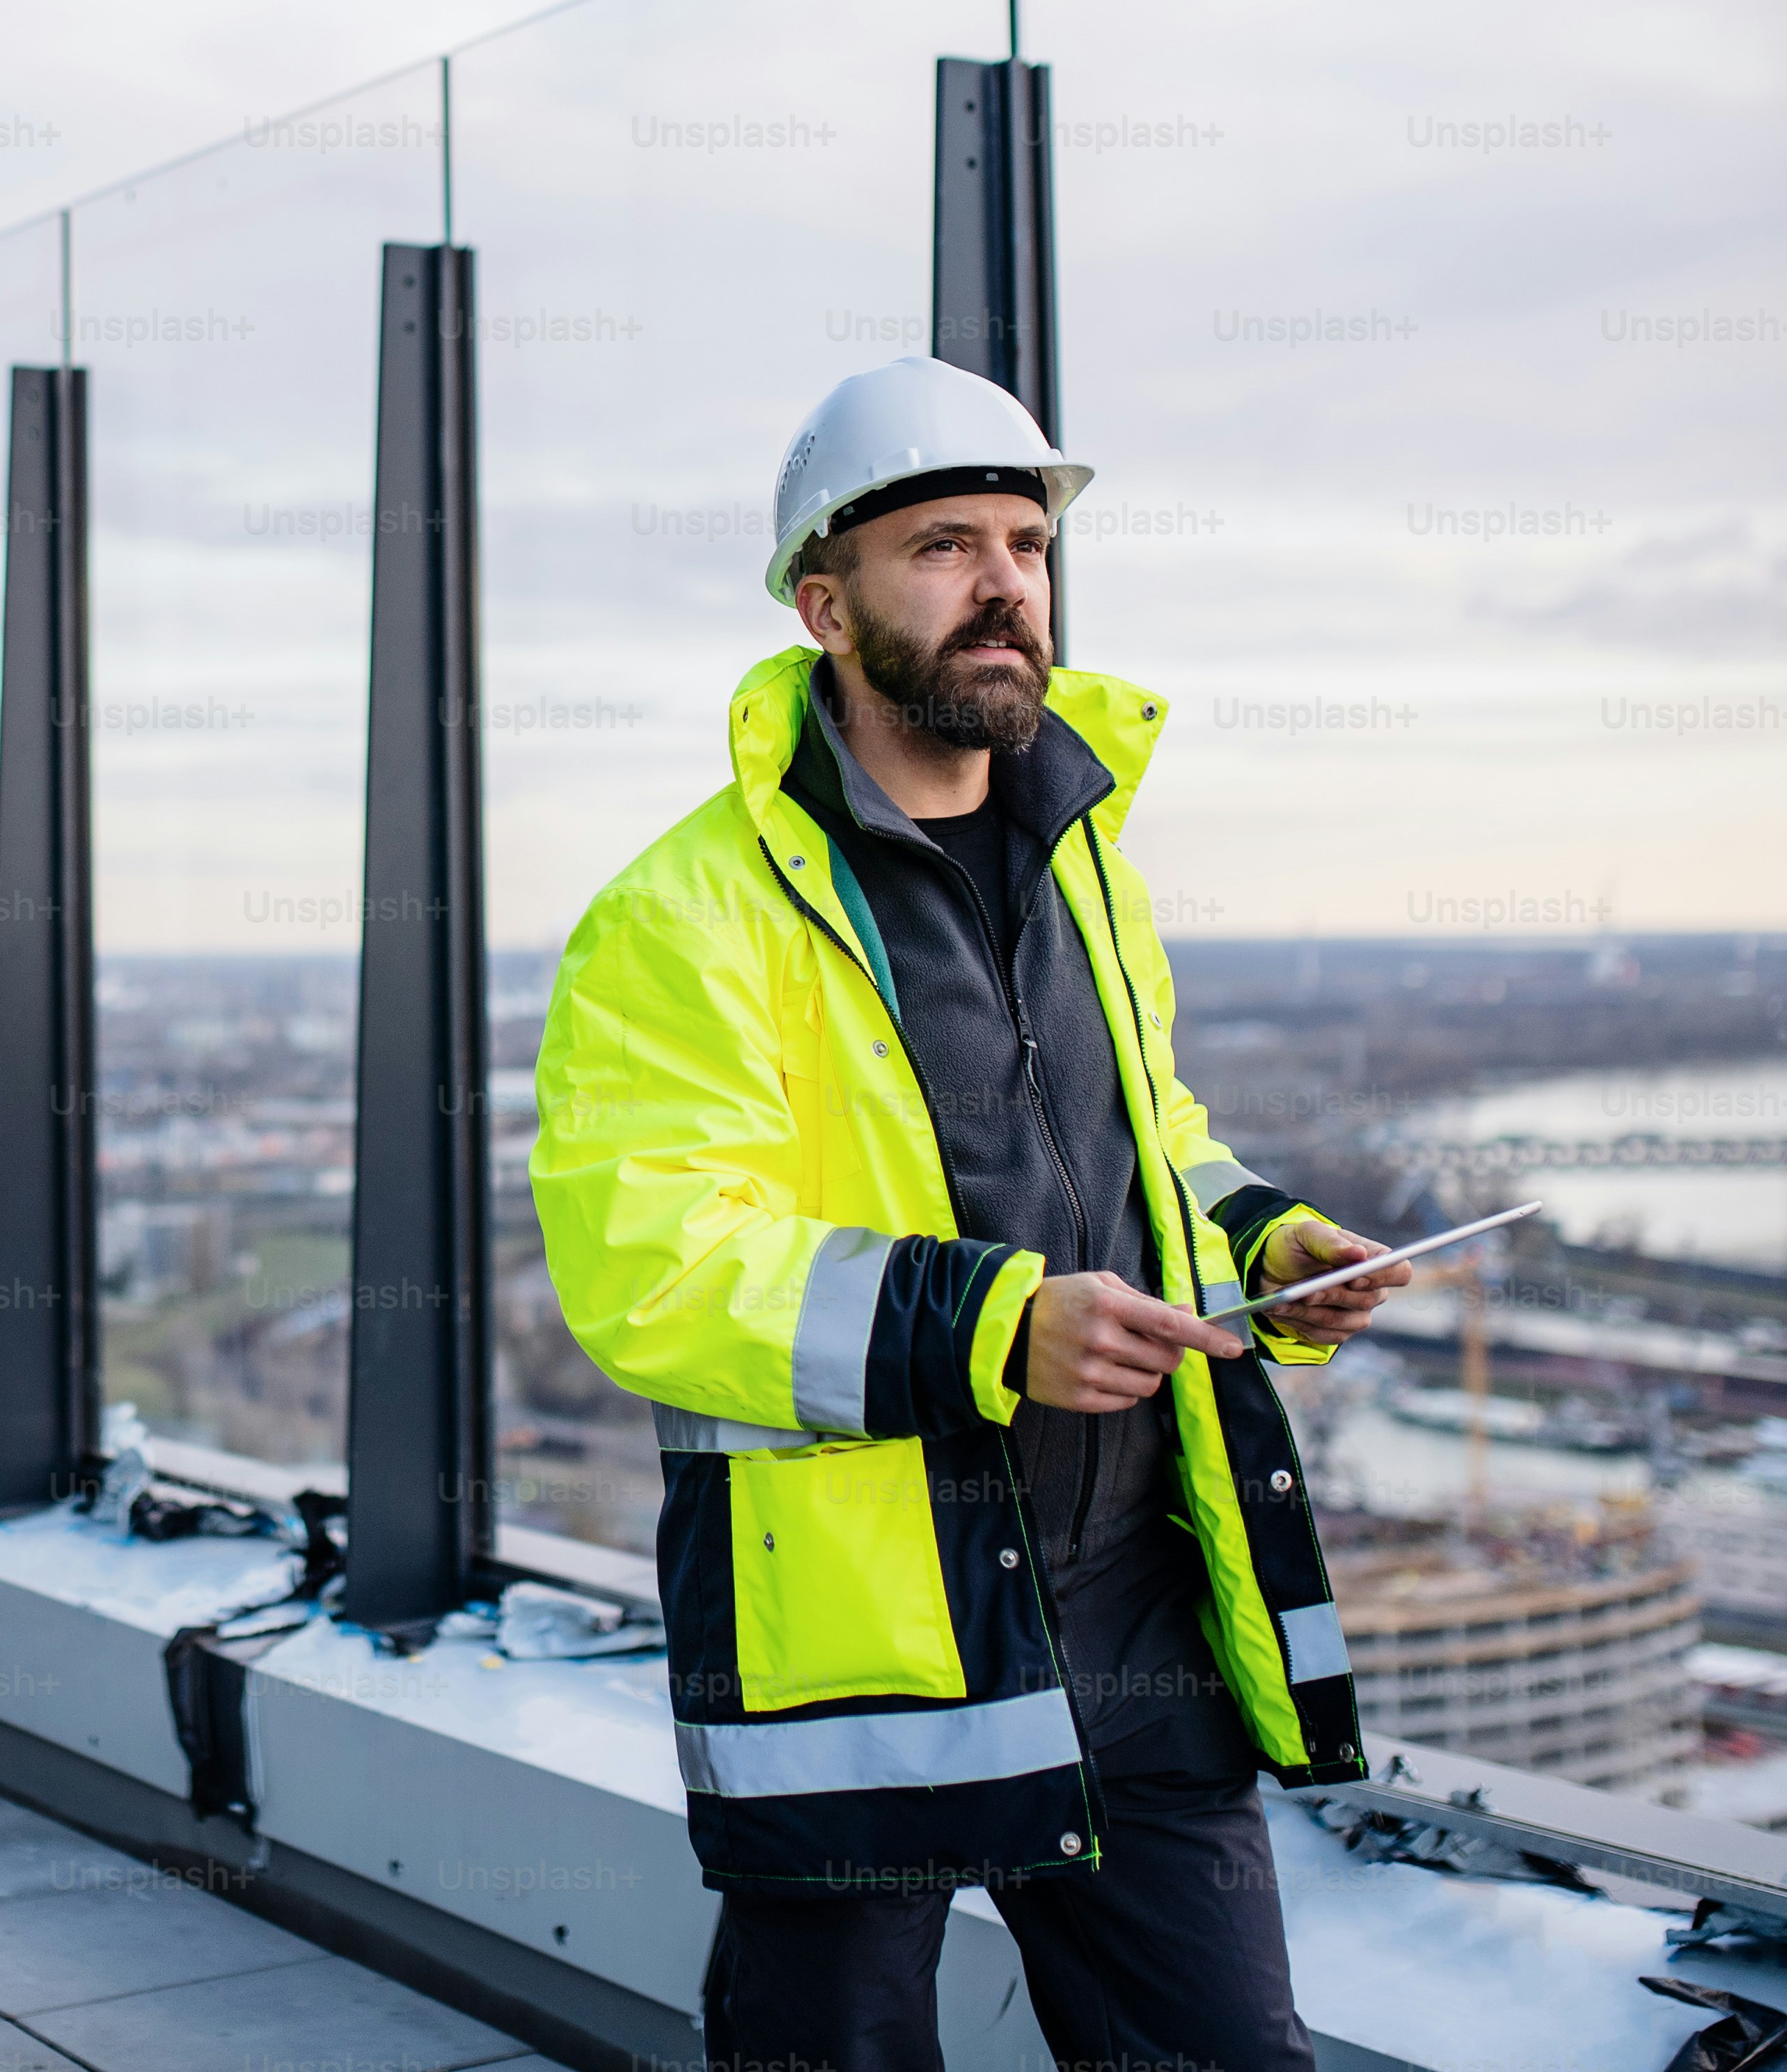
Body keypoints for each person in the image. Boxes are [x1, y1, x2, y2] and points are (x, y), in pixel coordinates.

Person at [528, 356, 1418, 2072]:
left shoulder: (1089, 859)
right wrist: (1001, 1324)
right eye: (944, 543)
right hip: (870, 1619)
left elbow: (1152, 1147)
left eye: (1028, 540)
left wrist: (1265, 1244)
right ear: (824, 604)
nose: (1008, 580)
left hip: (1139, 1598)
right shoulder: (682, 917)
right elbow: (661, 1265)